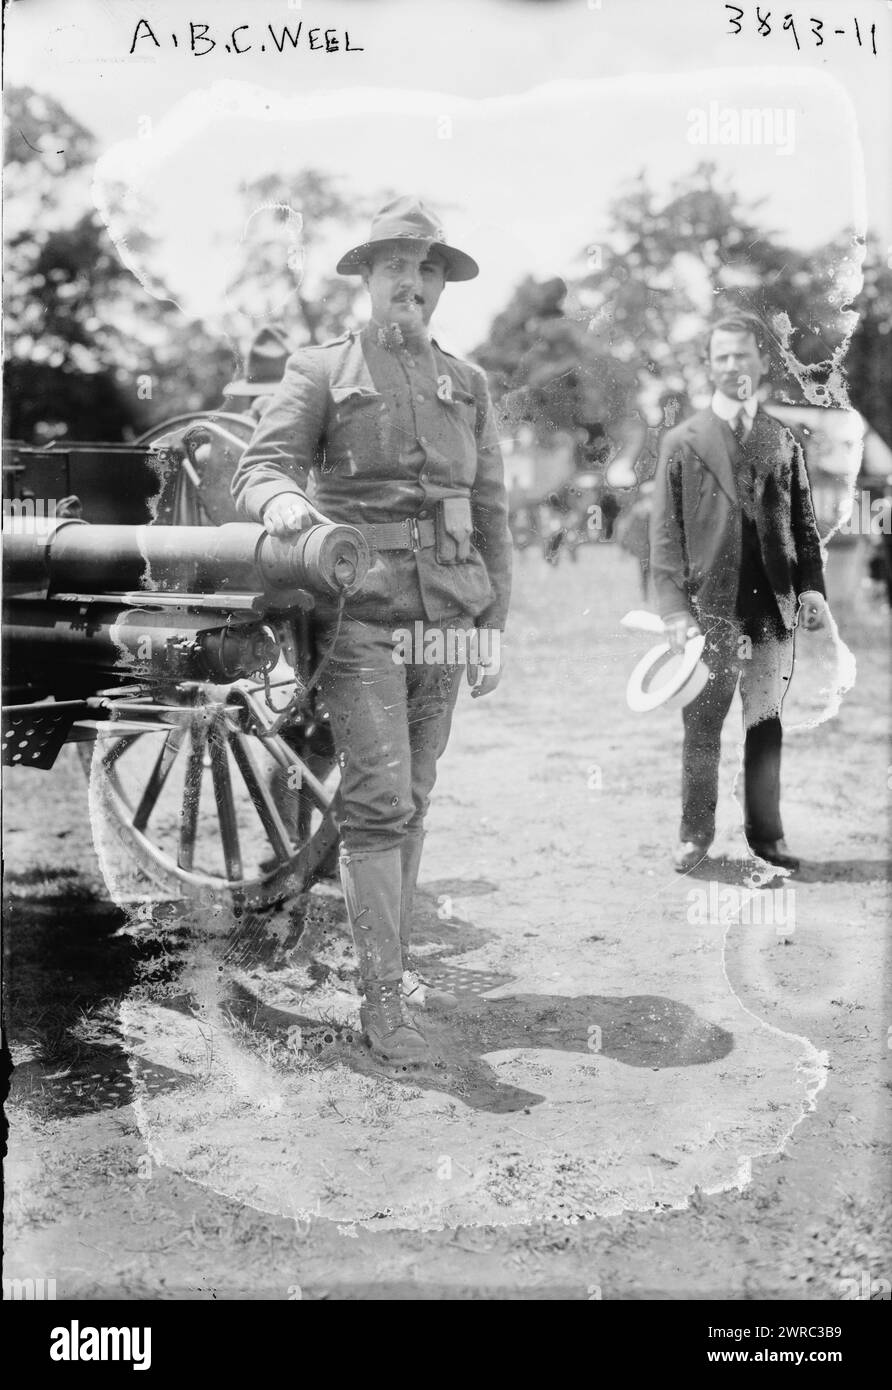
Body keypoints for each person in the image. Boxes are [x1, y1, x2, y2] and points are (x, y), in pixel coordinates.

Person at [232, 197, 512, 1066]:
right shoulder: (321, 370)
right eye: (395, 265)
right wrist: (282, 501)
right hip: (359, 612)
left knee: (416, 796)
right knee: (380, 801)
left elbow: (494, 512)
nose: (412, 282)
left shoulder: (467, 383)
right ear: (366, 276)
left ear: (439, 286)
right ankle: (382, 1001)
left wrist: (493, 624)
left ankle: (388, 967)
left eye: (427, 269)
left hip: (449, 618)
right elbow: (261, 466)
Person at [650, 312, 829, 874]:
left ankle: (765, 838)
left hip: (772, 608)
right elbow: (665, 534)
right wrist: (676, 610)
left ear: (761, 361)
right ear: (710, 364)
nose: (733, 366)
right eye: (722, 356)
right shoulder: (683, 441)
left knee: (764, 724)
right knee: (702, 725)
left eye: (742, 355)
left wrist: (813, 590)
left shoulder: (782, 438)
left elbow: (803, 522)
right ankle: (694, 834)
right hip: (709, 610)